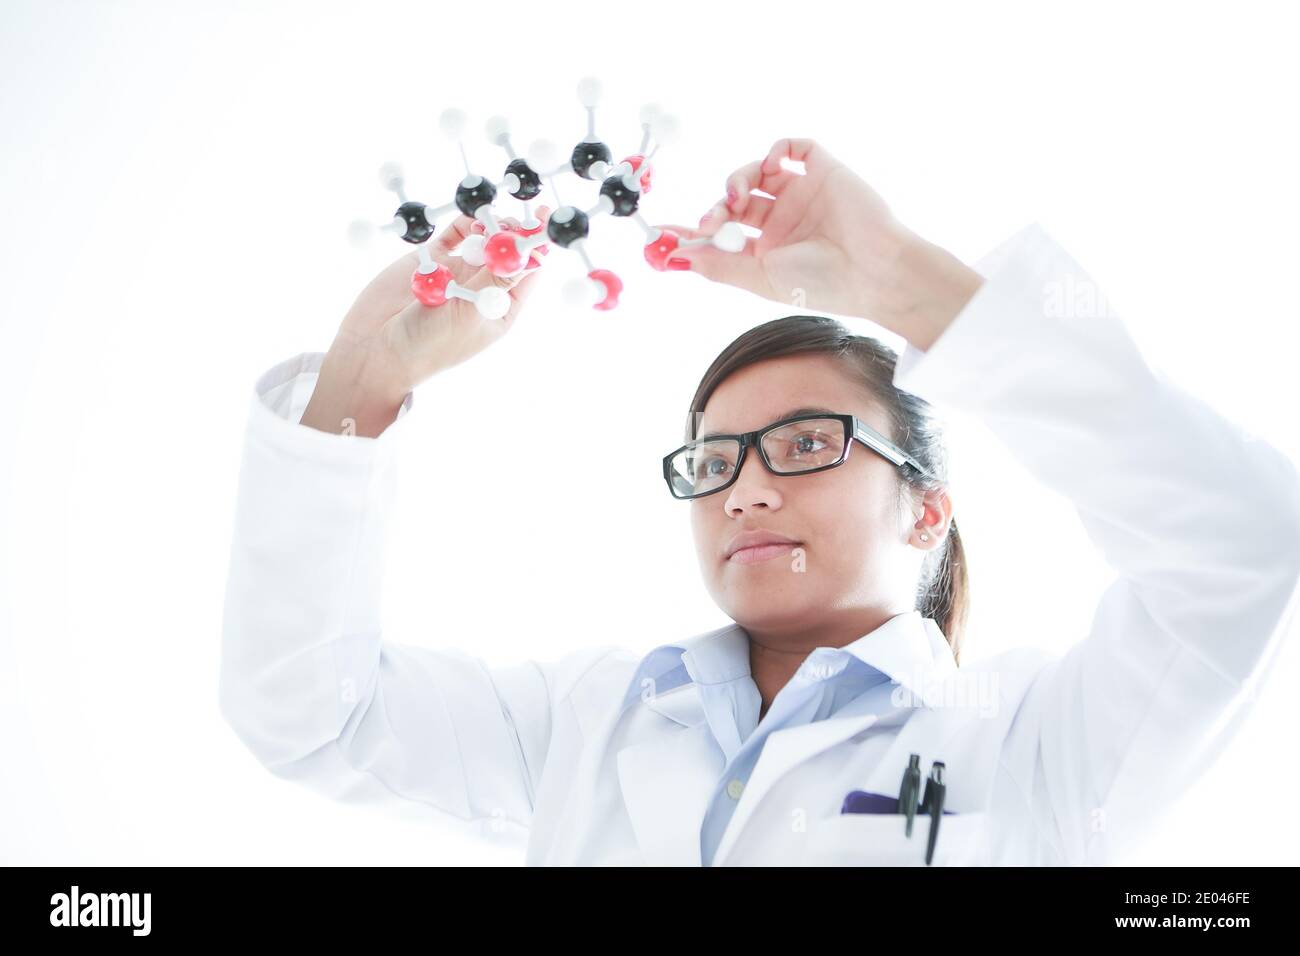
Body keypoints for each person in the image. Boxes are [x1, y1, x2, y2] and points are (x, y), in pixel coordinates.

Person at [219, 137, 1300, 866]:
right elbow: (311, 712)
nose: (744, 486)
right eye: (714, 459)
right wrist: (358, 384)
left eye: (803, 443)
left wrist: (896, 279)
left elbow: (1239, 547)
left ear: (928, 507)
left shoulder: (1035, 741)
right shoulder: (583, 722)